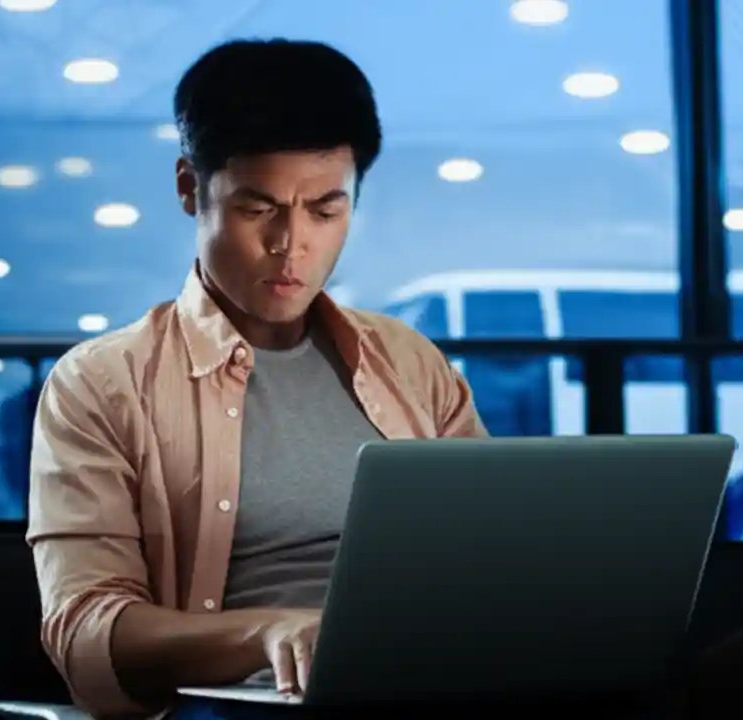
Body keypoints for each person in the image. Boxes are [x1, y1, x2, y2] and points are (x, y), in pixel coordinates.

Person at [27, 38, 488, 720]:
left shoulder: (408, 362)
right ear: (190, 188)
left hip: (431, 686)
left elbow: (494, 551)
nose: (291, 243)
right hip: (248, 705)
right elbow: (86, 629)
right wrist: (267, 632)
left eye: (326, 211)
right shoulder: (103, 383)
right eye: (257, 208)